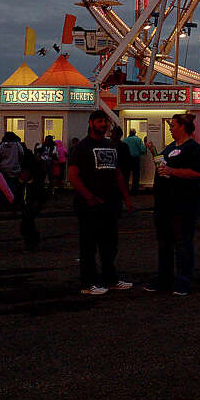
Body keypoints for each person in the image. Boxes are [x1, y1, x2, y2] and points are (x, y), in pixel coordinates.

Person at [68, 110, 133, 296]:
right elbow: (73, 175)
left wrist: (126, 198)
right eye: (99, 121)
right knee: (89, 245)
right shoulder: (81, 147)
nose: (103, 124)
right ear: (91, 123)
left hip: (110, 204)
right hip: (88, 205)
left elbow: (118, 173)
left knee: (110, 244)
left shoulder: (111, 145)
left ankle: (110, 280)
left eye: (105, 121)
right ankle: (88, 284)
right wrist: (89, 196)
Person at [146, 113, 200, 296]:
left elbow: (198, 173)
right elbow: (163, 166)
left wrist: (173, 171)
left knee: (182, 243)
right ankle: (164, 279)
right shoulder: (171, 147)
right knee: (164, 244)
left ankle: (184, 280)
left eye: (173, 125)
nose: (170, 128)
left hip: (184, 204)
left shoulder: (194, 149)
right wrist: (154, 152)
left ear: (183, 126)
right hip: (165, 204)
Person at [0, 131, 24, 209]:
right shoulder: (17, 144)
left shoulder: (2, 145)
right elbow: (22, 153)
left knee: (4, 186)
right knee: (14, 186)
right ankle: (13, 202)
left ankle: (5, 202)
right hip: (15, 167)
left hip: (4, 168)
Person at [123, 128, 146, 193]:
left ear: (129, 133)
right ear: (135, 133)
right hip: (135, 158)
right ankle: (134, 190)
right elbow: (142, 150)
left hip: (126, 159)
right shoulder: (138, 139)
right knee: (136, 174)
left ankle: (126, 189)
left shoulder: (125, 140)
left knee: (126, 175)